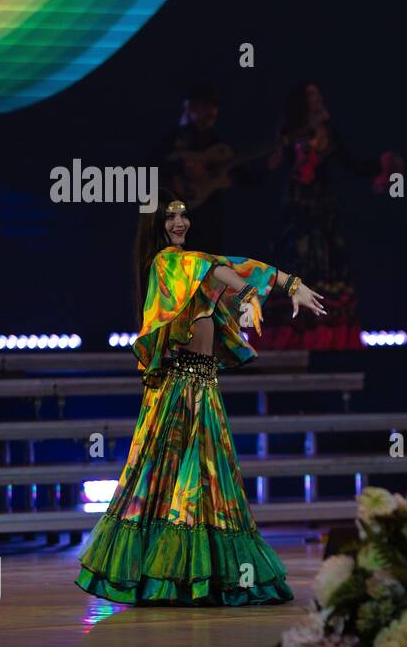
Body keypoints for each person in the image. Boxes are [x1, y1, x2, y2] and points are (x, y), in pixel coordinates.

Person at [76, 198, 325, 605]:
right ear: (156, 225)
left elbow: (237, 265)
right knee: (175, 483)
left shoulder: (196, 267)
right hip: (178, 391)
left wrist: (293, 286)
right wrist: (247, 292)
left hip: (203, 388)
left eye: (183, 215)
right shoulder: (167, 263)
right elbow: (219, 269)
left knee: (208, 484)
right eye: (169, 216)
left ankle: (200, 578)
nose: (179, 222)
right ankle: (166, 578)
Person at [254, 82, 397, 350]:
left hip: (323, 214)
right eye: (311, 97)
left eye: (319, 95)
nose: (317, 101)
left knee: (326, 270)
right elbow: (278, 166)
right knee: (297, 268)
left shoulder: (328, 132)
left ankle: (326, 337)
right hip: (298, 215)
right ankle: (293, 335)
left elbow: (350, 162)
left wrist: (382, 164)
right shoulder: (289, 133)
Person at [154, 82, 281, 255]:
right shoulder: (174, 139)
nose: (211, 112)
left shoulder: (220, 144)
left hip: (210, 221)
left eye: (213, 107)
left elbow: (242, 178)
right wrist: (183, 168)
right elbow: (153, 167)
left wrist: (267, 168)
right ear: (191, 108)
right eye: (204, 106)